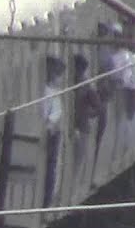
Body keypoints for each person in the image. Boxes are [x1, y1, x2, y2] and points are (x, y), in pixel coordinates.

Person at [71, 54, 104, 188]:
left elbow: (99, 108)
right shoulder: (72, 81)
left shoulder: (86, 85)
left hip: (81, 127)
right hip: (74, 126)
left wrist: (86, 114)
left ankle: (72, 186)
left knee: (77, 159)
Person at [42, 56, 66, 207]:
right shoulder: (44, 90)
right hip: (44, 130)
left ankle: (47, 200)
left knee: (50, 166)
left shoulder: (53, 91)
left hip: (50, 133)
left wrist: (48, 126)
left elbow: (56, 113)